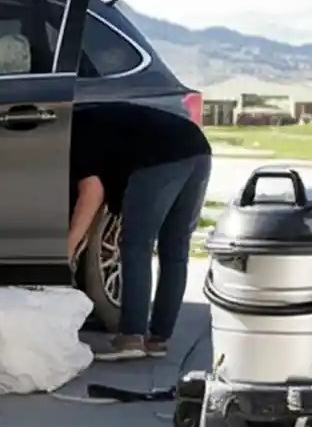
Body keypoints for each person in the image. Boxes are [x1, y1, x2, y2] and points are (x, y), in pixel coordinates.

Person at [67, 101, 212, 361]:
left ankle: (132, 336)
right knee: (175, 248)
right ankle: (158, 338)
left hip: (159, 158)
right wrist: (80, 243)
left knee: (136, 245)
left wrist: (66, 250)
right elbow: (98, 206)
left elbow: (91, 193)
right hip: (198, 148)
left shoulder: (75, 133)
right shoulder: (97, 123)